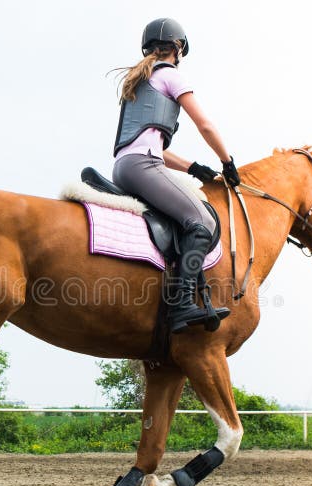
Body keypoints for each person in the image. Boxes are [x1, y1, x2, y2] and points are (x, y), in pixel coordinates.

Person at [112, 17, 239, 334]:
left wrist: (193, 168)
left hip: (127, 166)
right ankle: (182, 304)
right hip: (143, 165)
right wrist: (228, 162)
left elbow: (152, 144)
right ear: (179, 47)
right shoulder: (169, 75)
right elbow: (205, 125)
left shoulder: (140, 83)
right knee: (204, 221)